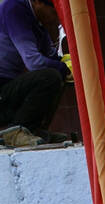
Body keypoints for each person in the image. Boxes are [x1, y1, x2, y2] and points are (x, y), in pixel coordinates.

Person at [0, 0, 67, 145]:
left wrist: (66, 64)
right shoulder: (14, 9)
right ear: (37, 2)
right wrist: (62, 68)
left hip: (6, 87)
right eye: (55, 13)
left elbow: (50, 55)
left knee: (59, 76)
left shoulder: (38, 21)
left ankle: (33, 130)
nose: (57, 19)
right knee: (50, 77)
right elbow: (33, 62)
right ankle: (17, 131)